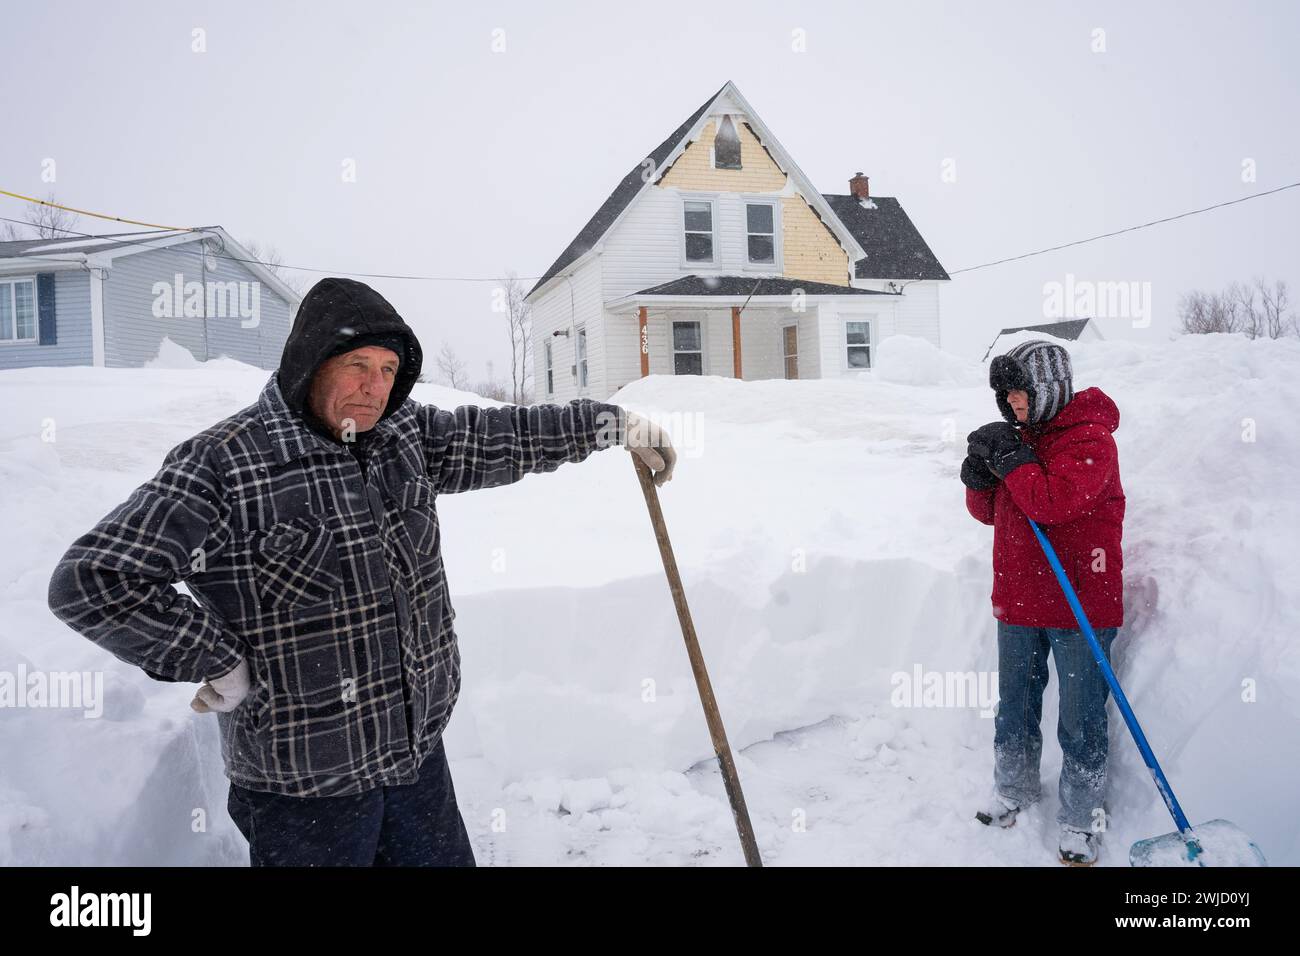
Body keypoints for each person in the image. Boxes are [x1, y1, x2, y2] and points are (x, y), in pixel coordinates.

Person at [47, 277, 675, 866]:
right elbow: (94, 580)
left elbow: (502, 435)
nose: (375, 387)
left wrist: (610, 424)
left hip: (413, 757)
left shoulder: (403, 436)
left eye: (388, 371)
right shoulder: (224, 464)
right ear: (310, 364)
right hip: (304, 789)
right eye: (358, 366)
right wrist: (216, 656)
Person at [961, 339, 1125, 866]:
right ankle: (1014, 789)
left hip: (1079, 602)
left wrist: (1013, 462)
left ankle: (1080, 819)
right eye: (1005, 394)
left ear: (1047, 389)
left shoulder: (1090, 440)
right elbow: (994, 513)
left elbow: (1051, 503)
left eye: (1019, 392)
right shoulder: (1022, 440)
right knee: (1014, 707)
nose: (1012, 403)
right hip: (1018, 598)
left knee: (1080, 719)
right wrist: (980, 480)